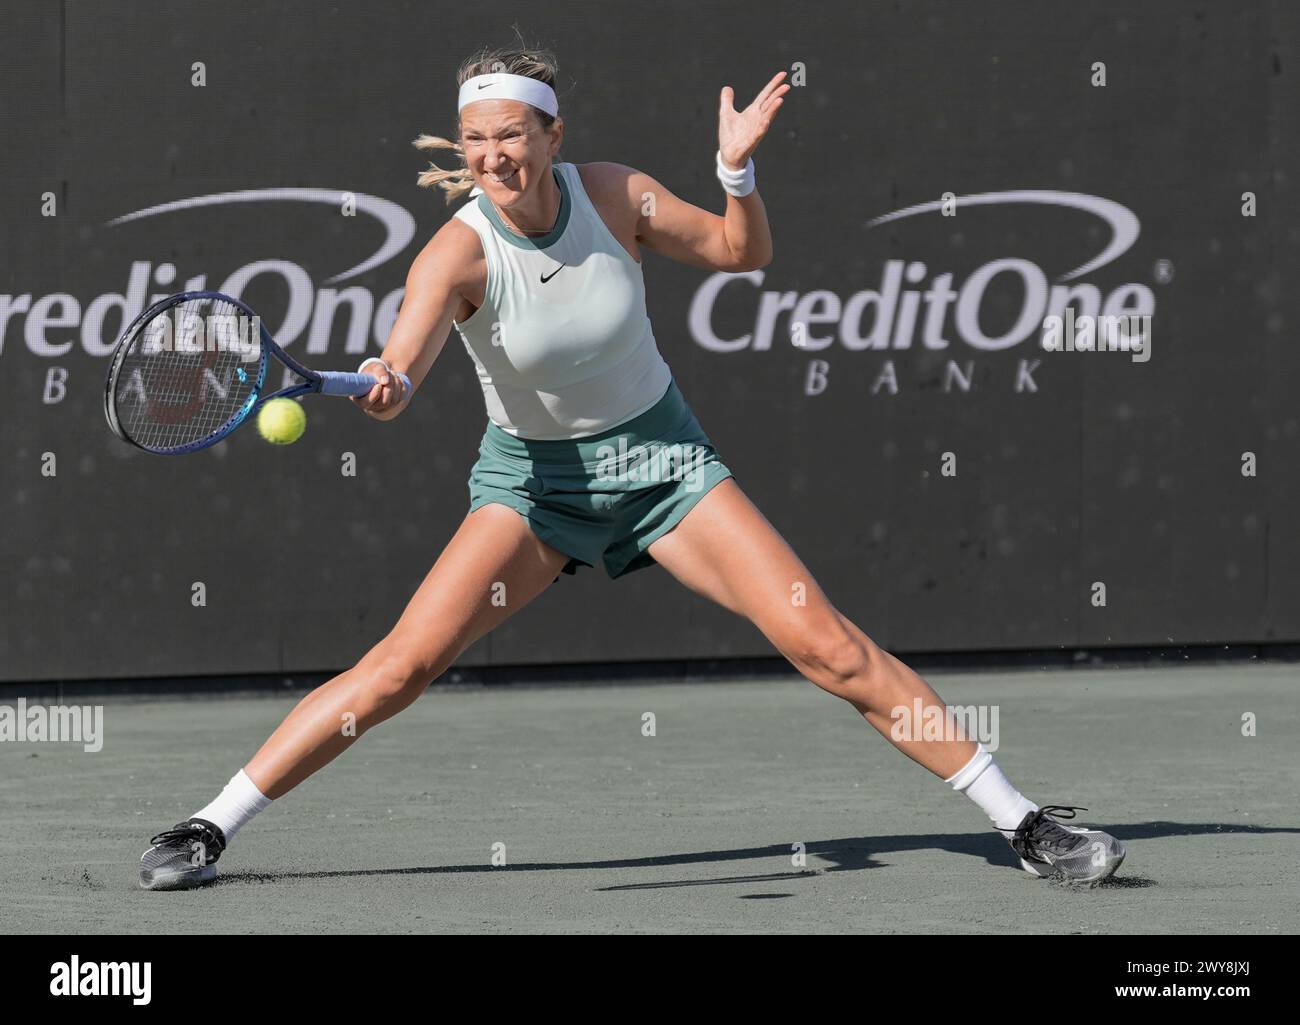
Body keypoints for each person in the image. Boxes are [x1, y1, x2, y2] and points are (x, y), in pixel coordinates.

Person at [140, 45, 1125, 891]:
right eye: (475, 140)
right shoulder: (454, 256)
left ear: (552, 136)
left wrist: (734, 172)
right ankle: (207, 824)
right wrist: (387, 382)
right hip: (533, 488)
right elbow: (402, 362)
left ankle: (1025, 825)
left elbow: (742, 253)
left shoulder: (617, 196)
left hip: (665, 464)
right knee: (399, 667)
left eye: (512, 135)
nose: (493, 155)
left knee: (823, 641)